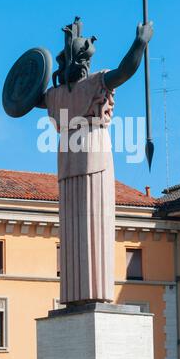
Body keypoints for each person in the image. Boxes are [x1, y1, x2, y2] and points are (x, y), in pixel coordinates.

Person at [41, 17, 153, 305]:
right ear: (85, 62)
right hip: (94, 148)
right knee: (97, 222)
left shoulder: (53, 96)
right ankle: (96, 292)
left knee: (73, 223)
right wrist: (140, 42)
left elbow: (26, 97)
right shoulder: (95, 81)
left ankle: (77, 293)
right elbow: (125, 71)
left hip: (66, 156)